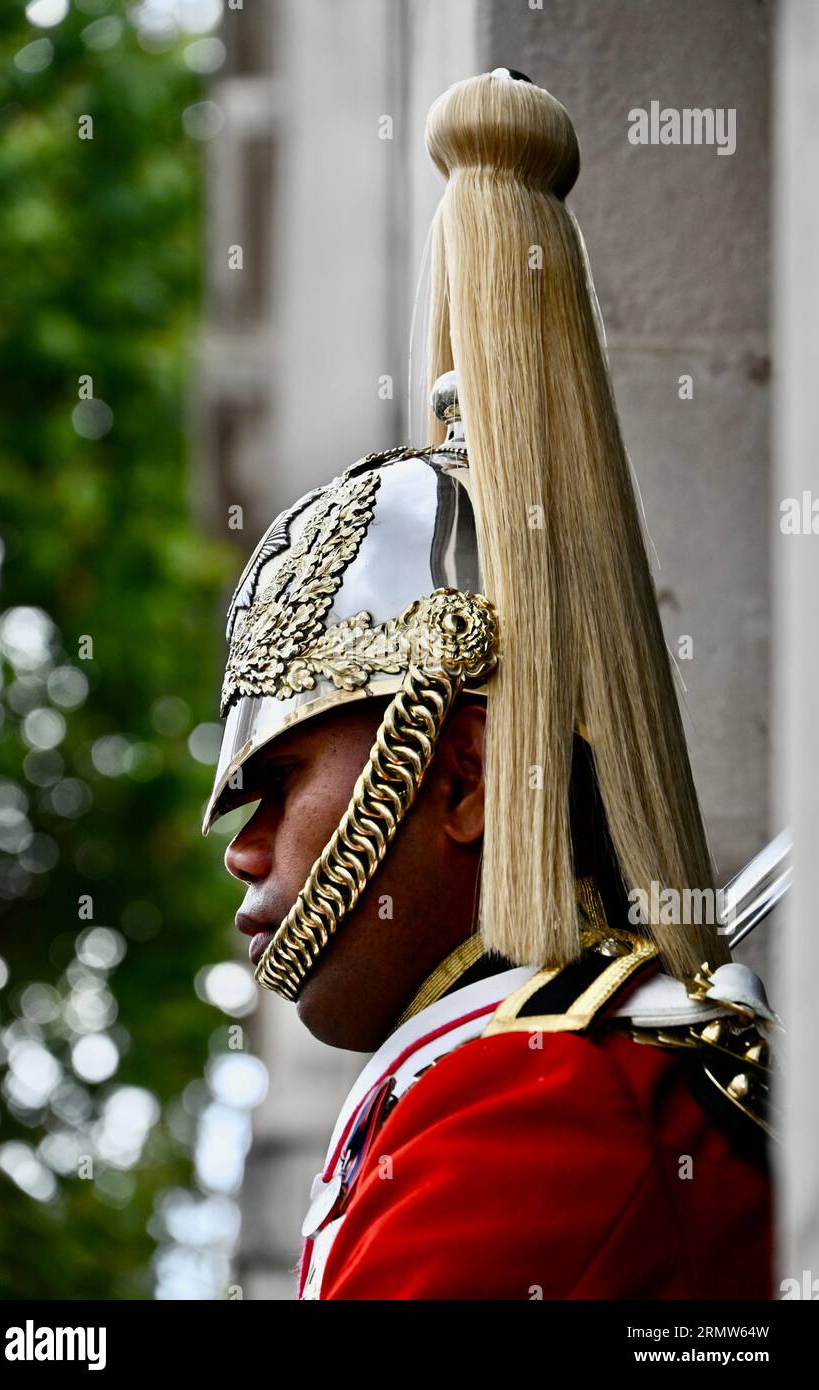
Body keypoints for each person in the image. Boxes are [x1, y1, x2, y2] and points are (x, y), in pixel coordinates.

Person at [203, 70, 778, 1301]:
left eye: (281, 775)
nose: (247, 851)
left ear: (461, 774)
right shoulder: (490, 1084)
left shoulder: (544, 1102)